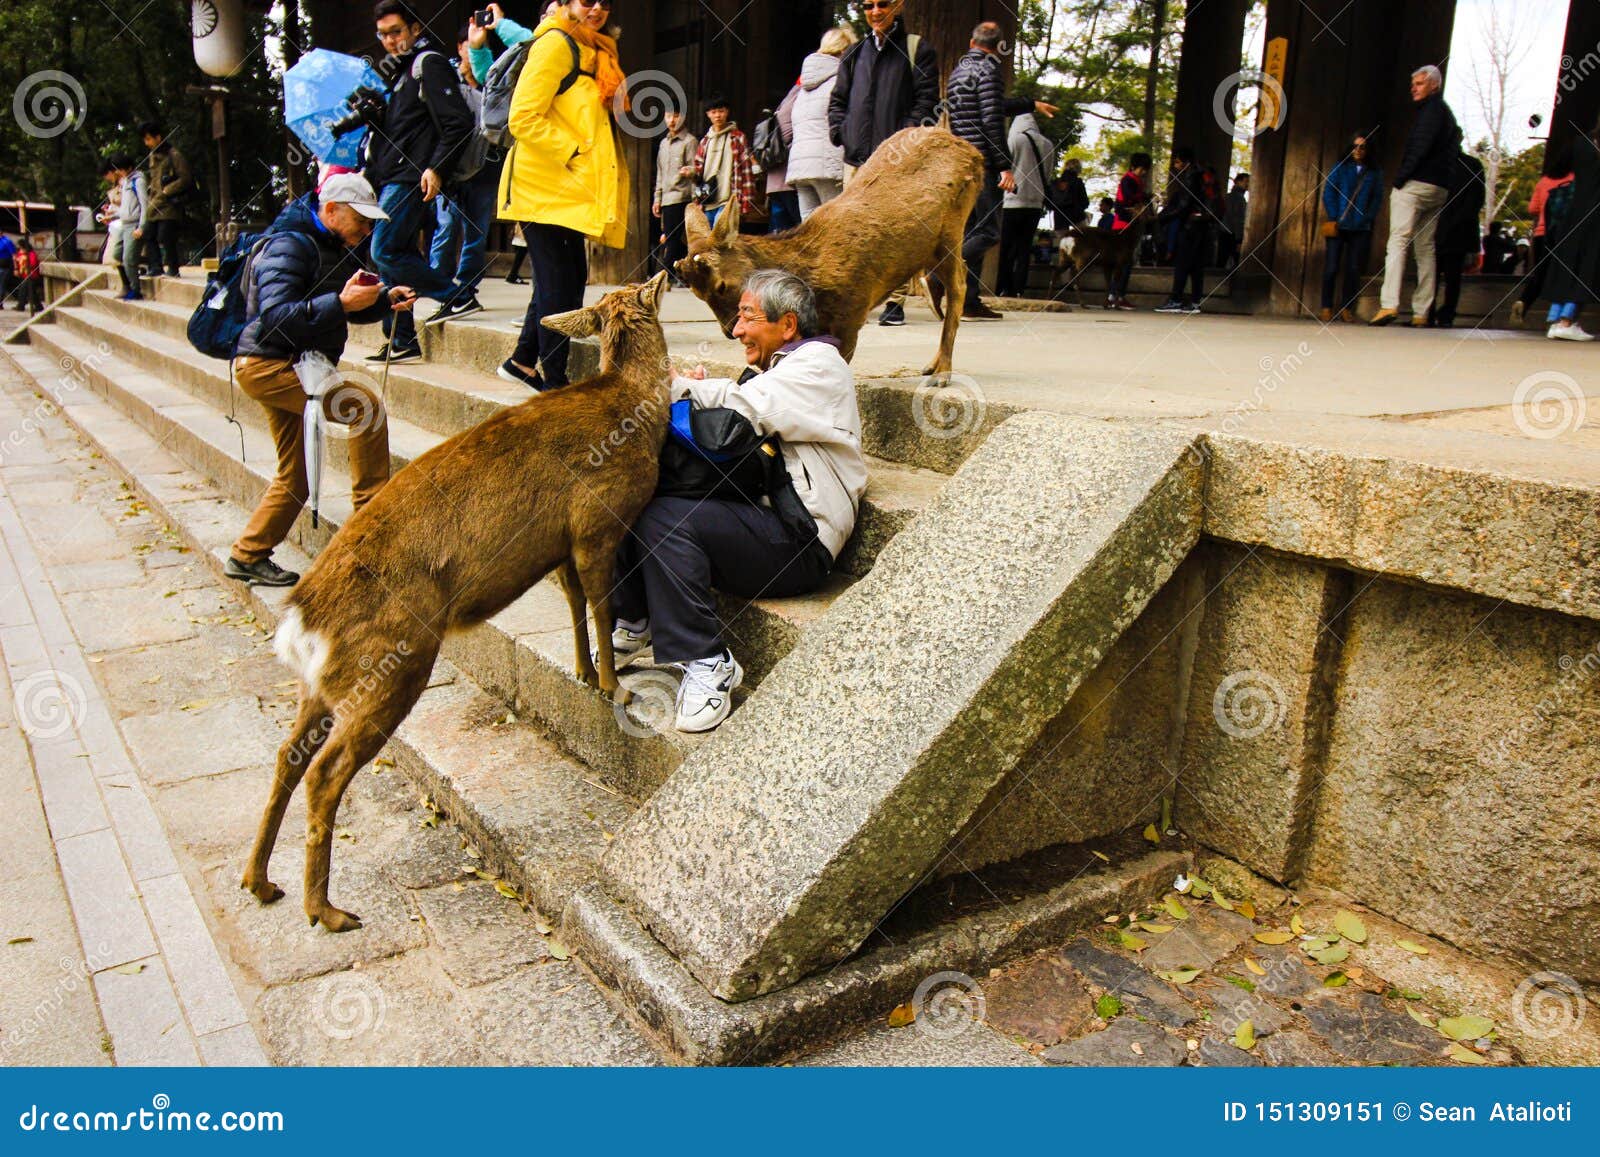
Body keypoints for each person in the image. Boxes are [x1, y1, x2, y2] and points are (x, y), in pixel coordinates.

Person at [610, 270, 866, 733]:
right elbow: (740, 399)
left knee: (668, 520)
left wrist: (672, 388)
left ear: (787, 325)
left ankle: (708, 661)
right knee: (634, 495)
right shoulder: (779, 370)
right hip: (768, 522)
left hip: (801, 540)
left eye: (747, 316)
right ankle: (634, 618)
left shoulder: (819, 363)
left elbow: (742, 409)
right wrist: (687, 389)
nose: (736, 330)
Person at [224, 174, 417, 587]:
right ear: (330, 210)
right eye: (361, 220)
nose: (367, 230)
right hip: (270, 365)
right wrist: (341, 301)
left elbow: (339, 308)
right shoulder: (288, 245)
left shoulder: (331, 246)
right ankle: (375, 532)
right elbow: (276, 319)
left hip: (287, 364)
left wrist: (382, 300)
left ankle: (247, 555)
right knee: (363, 408)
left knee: (296, 474)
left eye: (370, 223)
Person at [497, 0, 630, 391]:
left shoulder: (595, 51)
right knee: (559, 289)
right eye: (587, 1)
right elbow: (522, 116)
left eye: (605, 3)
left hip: (570, 189)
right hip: (544, 186)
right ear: (568, 4)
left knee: (567, 282)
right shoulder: (557, 43)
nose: (598, 9)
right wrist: (572, 149)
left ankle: (522, 361)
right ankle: (557, 384)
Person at [365, 0, 476, 364]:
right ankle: (401, 337)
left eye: (396, 31)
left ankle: (455, 295)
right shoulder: (402, 72)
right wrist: (375, 116)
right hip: (396, 174)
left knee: (383, 250)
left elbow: (458, 122)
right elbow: (406, 131)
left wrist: (437, 168)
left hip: (413, 175)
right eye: (383, 35)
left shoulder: (429, 63)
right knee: (399, 255)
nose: (390, 41)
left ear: (414, 28)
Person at [827, 0, 938, 326]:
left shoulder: (918, 49)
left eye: (883, 4)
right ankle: (857, 297)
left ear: (899, 5)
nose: (876, 11)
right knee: (853, 231)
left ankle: (894, 301)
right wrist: (840, 132)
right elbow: (838, 101)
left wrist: (904, 138)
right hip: (857, 158)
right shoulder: (854, 53)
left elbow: (927, 100)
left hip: (897, 160)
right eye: (869, 5)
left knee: (895, 232)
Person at [942, 22, 1058, 320]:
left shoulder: (959, 73)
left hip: (962, 160)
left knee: (973, 229)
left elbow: (990, 107)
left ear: (972, 42)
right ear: (997, 48)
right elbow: (992, 119)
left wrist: (1029, 103)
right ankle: (938, 270)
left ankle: (968, 301)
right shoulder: (989, 71)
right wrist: (1005, 166)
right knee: (990, 231)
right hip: (982, 162)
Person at [425, 15, 505, 325]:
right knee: (446, 228)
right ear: (460, 47)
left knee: (476, 231)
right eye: (467, 45)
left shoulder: (492, 79)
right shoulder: (442, 76)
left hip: (485, 165)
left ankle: (466, 289)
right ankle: (439, 286)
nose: (470, 52)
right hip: (452, 167)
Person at [1371, 65, 1460, 327]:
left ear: (1434, 85)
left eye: (1420, 84)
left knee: (1398, 241)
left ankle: (1389, 304)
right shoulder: (1447, 116)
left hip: (1416, 183)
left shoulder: (1430, 113)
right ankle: (1422, 311)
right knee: (1426, 247)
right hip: (1439, 187)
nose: (1414, 88)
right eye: (1414, 84)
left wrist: (1400, 179)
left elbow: (1419, 147)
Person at [787, 25, 856, 221]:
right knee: (836, 229)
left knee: (809, 233)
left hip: (800, 167)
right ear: (844, 50)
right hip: (828, 165)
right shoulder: (841, 82)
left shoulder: (803, 88)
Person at [1542, 118, 1600, 341]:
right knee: (1588, 267)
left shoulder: (1581, 142)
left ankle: (1556, 320)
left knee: (1569, 264)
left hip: (1575, 211)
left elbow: (1555, 171)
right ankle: (1568, 321)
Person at [1318, 134, 1382, 322]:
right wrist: (1333, 215)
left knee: (1353, 268)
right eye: (1355, 147)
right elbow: (1329, 191)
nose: (1358, 150)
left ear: (1368, 150)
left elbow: (1377, 198)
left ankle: (1347, 307)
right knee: (1331, 267)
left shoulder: (1374, 172)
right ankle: (1326, 306)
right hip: (1338, 224)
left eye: (1362, 147)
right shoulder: (1341, 167)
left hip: (1360, 227)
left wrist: (1367, 217)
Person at [1511, 145, 1574, 325]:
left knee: (1540, 274)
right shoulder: (1574, 180)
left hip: (1541, 234)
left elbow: (1532, 208)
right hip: (1562, 234)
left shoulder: (1544, 181)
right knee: (1562, 274)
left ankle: (1523, 301)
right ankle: (1558, 316)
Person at [998, 110, 1057, 298]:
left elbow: (1004, 167)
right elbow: (1047, 175)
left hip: (1012, 201)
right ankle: (1019, 289)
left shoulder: (1015, 140)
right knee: (1024, 248)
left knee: (1007, 247)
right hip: (1035, 203)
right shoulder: (1048, 144)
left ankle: (1003, 287)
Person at [1430, 150, 1485, 328]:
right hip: (1457, 228)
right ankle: (1445, 314)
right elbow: (1477, 199)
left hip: (1442, 226)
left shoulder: (1438, 162)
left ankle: (1428, 312)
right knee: (1452, 277)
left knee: (1433, 273)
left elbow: (1475, 199)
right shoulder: (1472, 165)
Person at [1155, 146, 1210, 314]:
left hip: (1189, 226)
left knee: (1182, 264)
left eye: (1178, 162)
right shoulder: (1202, 177)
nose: (1175, 165)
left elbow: (1184, 206)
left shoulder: (1190, 178)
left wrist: (1163, 217)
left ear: (1186, 163)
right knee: (1196, 266)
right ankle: (1194, 301)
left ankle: (1176, 299)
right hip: (1201, 225)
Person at [135, 121, 192, 279]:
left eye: (149, 139)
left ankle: (173, 268)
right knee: (149, 234)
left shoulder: (174, 155)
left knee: (166, 236)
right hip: (154, 203)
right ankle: (155, 267)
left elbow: (186, 178)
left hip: (169, 204)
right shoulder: (152, 155)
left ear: (158, 137)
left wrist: (168, 190)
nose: (147, 143)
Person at [693, 93, 756, 228]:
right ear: (707, 114)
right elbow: (698, 172)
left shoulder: (738, 137)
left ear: (727, 112)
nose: (717, 115)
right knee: (707, 244)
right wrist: (696, 200)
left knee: (720, 243)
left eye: (721, 111)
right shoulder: (704, 141)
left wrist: (746, 202)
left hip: (728, 202)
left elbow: (746, 171)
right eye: (713, 112)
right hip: (707, 203)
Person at [653, 105, 699, 277]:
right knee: (670, 239)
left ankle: (663, 276)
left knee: (673, 239)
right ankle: (678, 275)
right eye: (669, 116)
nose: (672, 120)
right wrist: (657, 198)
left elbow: (695, 170)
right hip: (666, 198)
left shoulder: (690, 141)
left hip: (682, 196)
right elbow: (660, 173)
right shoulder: (663, 144)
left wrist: (695, 199)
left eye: (676, 116)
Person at [1105, 152, 1152, 310]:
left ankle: (1117, 295)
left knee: (1126, 263)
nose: (1144, 172)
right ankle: (1115, 295)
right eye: (1142, 168)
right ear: (1134, 167)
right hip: (1123, 226)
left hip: (1131, 227)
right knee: (1122, 263)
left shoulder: (1137, 181)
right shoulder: (1128, 180)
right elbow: (1122, 204)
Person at [103, 153, 149, 302]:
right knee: (117, 254)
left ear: (128, 167)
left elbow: (144, 205)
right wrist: (112, 215)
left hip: (135, 224)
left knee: (128, 258)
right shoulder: (125, 182)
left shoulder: (138, 181)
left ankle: (135, 290)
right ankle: (136, 271)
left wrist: (141, 226)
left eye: (120, 169)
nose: (118, 173)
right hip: (124, 223)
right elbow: (124, 208)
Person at [759, 83, 802, 233]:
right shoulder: (798, 99)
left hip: (774, 184)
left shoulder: (781, 108)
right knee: (801, 230)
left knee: (778, 233)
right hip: (789, 181)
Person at [1218, 172, 1249, 271]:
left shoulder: (1228, 196)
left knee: (1222, 262)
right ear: (1238, 182)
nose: (1248, 184)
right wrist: (1239, 240)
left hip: (1224, 232)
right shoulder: (1239, 199)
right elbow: (1238, 220)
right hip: (1232, 235)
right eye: (1246, 181)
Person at [11, 236, 42, 314]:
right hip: (24, 275)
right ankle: (39, 306)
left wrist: (24, 261)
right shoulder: (20, 253)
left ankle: (21, 306)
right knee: (31, 292)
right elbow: (16, 260)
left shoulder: (31, 254)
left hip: (32, 275)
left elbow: (33, 264)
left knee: (23, 289)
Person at [0, 232, 14, 311]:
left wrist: (15, 267)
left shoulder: (7, 241)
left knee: (1, 285)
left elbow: (13, 254)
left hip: (4, 267)